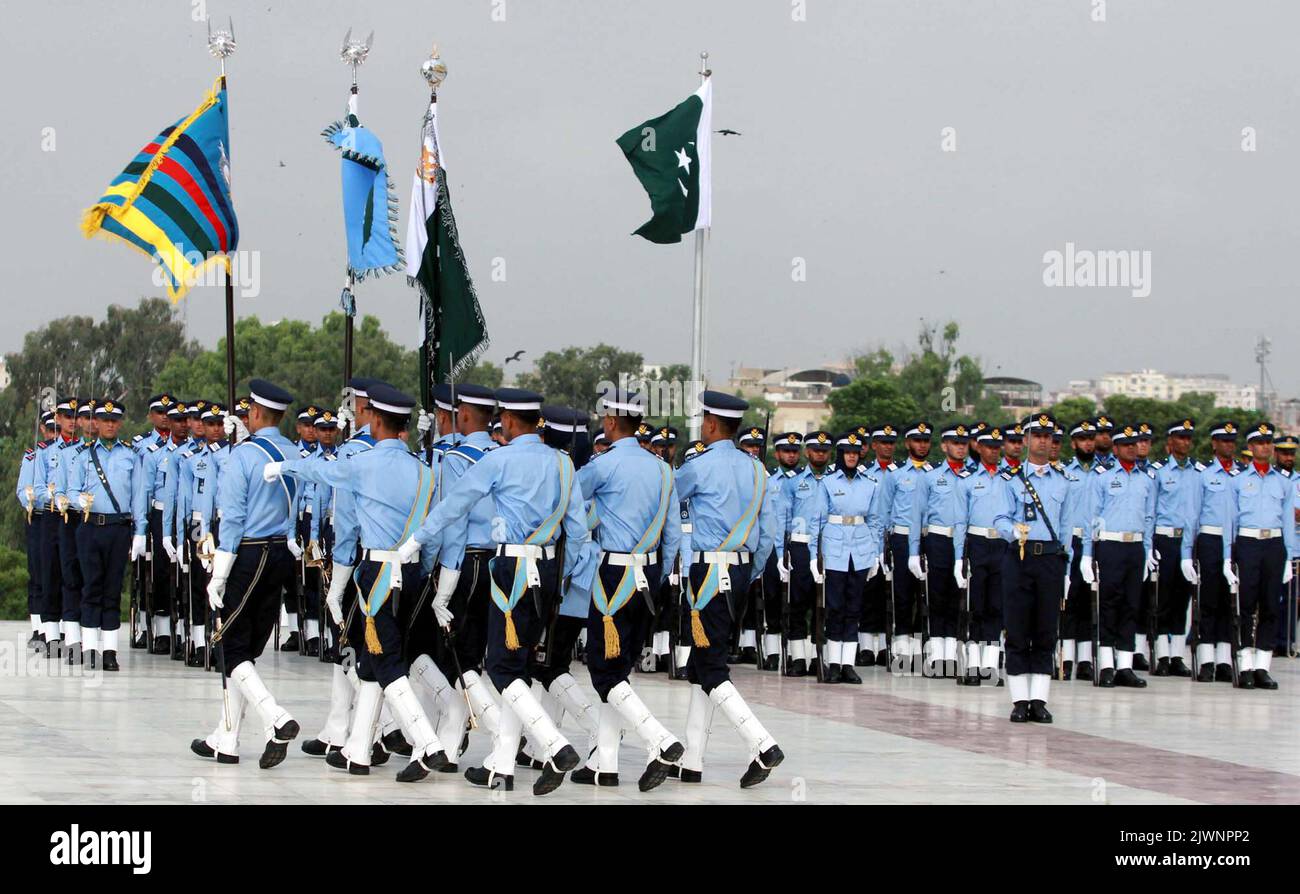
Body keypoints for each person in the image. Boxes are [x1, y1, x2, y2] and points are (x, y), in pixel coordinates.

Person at [396, 388, 587, 796]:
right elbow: (581, 532)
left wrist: (416, 540)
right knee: (516, 665)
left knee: (502, 668)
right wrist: (560, 575)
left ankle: (555, 746)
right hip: (550, 569)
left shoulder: (498, 460)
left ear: (511, 422)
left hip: (513, 569)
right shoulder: (564, 464)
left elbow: (454, 507)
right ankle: (502, 763)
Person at [268, 383, 450, 780]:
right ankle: (358, 750)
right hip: (414, 573)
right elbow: (433, 531)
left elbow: (321, 470)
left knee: (384, 660)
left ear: (377, 422)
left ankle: (427, 743)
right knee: (370, 661)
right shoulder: (423, 470)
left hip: (378, 573)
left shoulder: (365, 464)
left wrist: (283, 466)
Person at [571, 388, 685, 789]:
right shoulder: (662, 469)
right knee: (619, 673)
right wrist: (657, 577)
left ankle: (660, 740)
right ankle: (606, 763)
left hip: (612, 577)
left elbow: (570, 499)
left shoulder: (604, 465)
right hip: (648, 577)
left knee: (603, 669)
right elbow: (671, 536)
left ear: (611, 421)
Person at [670, 391, 783, 788]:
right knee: (702, 666)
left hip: (706, 574)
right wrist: (750, 572)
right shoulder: (758, 471)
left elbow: (669, 502)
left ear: (713, 425)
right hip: (739, 573)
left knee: (712, 666)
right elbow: (768, 533)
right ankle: (693, 760)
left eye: (704, 420)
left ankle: (763, 744)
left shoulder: (699, 467)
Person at [190, 380, 302, 770]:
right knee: (245, 648)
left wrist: (219, 573)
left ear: (254, 413)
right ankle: (227, 738)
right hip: (281, 555)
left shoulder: (243, 456)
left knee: (229, 645)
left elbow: (233, 518)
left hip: (249, 554)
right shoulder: (292, 451)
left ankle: (276, 718)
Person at [993, 413, 1076, 722]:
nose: (1043, 440)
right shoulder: (1011, 479)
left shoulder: (1063, 481)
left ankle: (1039, 699)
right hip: (1021, 558)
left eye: (1048, 436)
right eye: (1036, 435)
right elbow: (999, 517)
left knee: (1045, 629)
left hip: (1051, 560)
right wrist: (1013, 530)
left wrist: (1067, 569)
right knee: (1017, 628)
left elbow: (1067, 527)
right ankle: (1019, 699)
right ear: (1025, 440)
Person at [64, 400, 149, 672]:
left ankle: (110, 651)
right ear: (96, 423)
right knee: (91, 587)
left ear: (120, 423)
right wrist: (80, 501)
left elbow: (138, 496)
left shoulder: (130, 456)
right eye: (104, 420)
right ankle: (90, 648)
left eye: (114, 420)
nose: (110, 424)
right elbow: (71, 491)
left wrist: (141, 532)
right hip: (90, 526)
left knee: (113, 590)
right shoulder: (84, 455)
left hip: (118, 528)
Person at [1080, 424, 1156, 688]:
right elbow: (1092, 517)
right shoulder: (1102, 477)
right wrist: (1088, 555)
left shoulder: (1146, 479)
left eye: (1135, 444)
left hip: (1134, 547)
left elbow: (1149, 517)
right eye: (1126, 445)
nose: (1132, 449)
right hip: (1110, 545)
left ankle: (1125, 665)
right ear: (1116, 448)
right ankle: (1106, 665)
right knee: (1108, 605)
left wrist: (1147, 551)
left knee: (1131, 605)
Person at [1222, 422, 1296, 689]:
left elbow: (1288, 521)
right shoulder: (1238, 481)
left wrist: (1289, 556)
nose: (1265, 447)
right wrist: (1226, 558)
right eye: (1260, 443)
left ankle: (1263, 667)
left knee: (1270, 606)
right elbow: (1229, 522)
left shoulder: (1284, 483)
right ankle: (1244, 666)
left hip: (1274, 544)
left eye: (1269, 443)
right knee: (1245, 605)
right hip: (1248, 543)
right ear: (1251, 448)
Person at [814, 432, 885, 683]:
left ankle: (847, 663)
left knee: (854, 607)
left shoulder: (870, 483)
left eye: (856, 453)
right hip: (835, 549)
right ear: (841, 455)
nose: (852, 457)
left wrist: (876, 555)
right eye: (847, 453)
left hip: (861, 549)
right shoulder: (828, 483)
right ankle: (833, 663)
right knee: (835, 607)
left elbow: (875, 521)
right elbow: (817, 522)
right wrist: (815, 556)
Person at [913, 423, 972, 677]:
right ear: (944, 446)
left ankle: (955, 654)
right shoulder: (930, 476)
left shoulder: (974, 476)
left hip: (966, 542)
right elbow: (917, 516)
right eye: (955, 443)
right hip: (938, 539)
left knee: (959, 599)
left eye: (963, 443)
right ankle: (938, 656)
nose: (960, 447)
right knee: (937, 597)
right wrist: (914, 551)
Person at [954, 425, 1010, 685]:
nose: (994, 452)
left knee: (996, 608)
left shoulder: (1010, 479)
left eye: (998, 448)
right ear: (979, 448)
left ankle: (990, 666)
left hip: (1001, 545)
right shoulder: (967, 479)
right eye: (989, 447)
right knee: (975, 606)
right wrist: (958, 558)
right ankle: (973, 666)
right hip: (976, 543)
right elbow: (959, 522)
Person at [880, 421, 933, 674]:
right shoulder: (895, 474)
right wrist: (883, 548)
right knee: (902, 596)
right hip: (901, 539)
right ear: (907, 443)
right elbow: (884, 512)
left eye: (925, 440)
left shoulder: (935, 474)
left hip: (928, 538)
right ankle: (902, 654)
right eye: (917, 440)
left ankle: (925, 653)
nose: (922, 445)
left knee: (928, 597)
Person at [1147, 419, 1200, 676]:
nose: (1185, 442)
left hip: (1188, 541)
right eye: (1180, 437)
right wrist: (1150, 545)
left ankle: (1177, 654)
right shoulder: (1158, 471)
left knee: (1183, 598)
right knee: (1163, 598)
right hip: (1164, 539)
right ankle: (1162, 655)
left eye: (1188, 438)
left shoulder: (1197, 472)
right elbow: (1151, 511)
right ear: (1170, 441)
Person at [779, 430, 833, 676]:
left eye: (824, 450)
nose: (820, 453)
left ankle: (818, 657)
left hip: (829, 546)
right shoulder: (793, 481)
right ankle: (799, 658)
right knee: (798, 604)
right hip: (800, 546)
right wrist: (782, 553)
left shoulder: (835, 480)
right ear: (808, 452)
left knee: (823, 605)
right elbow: (783, 518)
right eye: (815, 450)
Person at [1060, 419, 1099, 680]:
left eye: (1091, 438)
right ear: (1073, 443)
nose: (1088, 443)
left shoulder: (1104, 473)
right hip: (1072, 540)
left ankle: (1086, 659)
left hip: (1095, 540)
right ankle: (1067, 657)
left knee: (1089, 601)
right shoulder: (1064, 472)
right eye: (1082, 439)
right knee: (1068, 599)